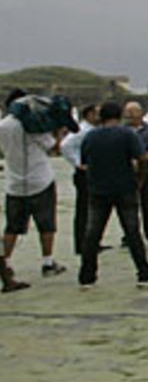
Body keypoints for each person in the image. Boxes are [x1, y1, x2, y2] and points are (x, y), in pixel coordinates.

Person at [78, 101, 148, 289]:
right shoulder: (127, 134)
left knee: (92, 234)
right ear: (120, 116)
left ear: (101, 118)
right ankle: (144, 274)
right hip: (125, 188)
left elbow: (85, 163)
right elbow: (141, 158)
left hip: (98, 190)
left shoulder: (90, 137)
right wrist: (140, 179)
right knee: (132, 232)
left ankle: (87, 276)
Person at [0, 89, 71, 278]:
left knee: (12, 226)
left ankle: (5, 261)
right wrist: (59, 133)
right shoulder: (34, 126)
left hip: (14, 183)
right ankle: (48, 262)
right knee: (46, 224)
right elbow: (53, 148)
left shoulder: (2, 126)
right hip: (40, 180)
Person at [60, 103, 100, 255]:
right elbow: (65, 146)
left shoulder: (92, 130)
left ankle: (91, 242)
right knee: (84, 210)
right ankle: (82, 244)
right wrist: (78, 164)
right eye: (96, 113)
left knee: (91, 210)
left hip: (92, 173)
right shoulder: (82, 130)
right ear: (89, 115)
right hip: (84, 174)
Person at [123, 101, 148, 246]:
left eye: (133, 111)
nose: (130, 115)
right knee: (128, 203)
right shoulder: (122, 130)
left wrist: (144, 158)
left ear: (140, 113)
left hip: (146, 166)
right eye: (127, 112)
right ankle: (130, 236)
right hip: (126, 168)